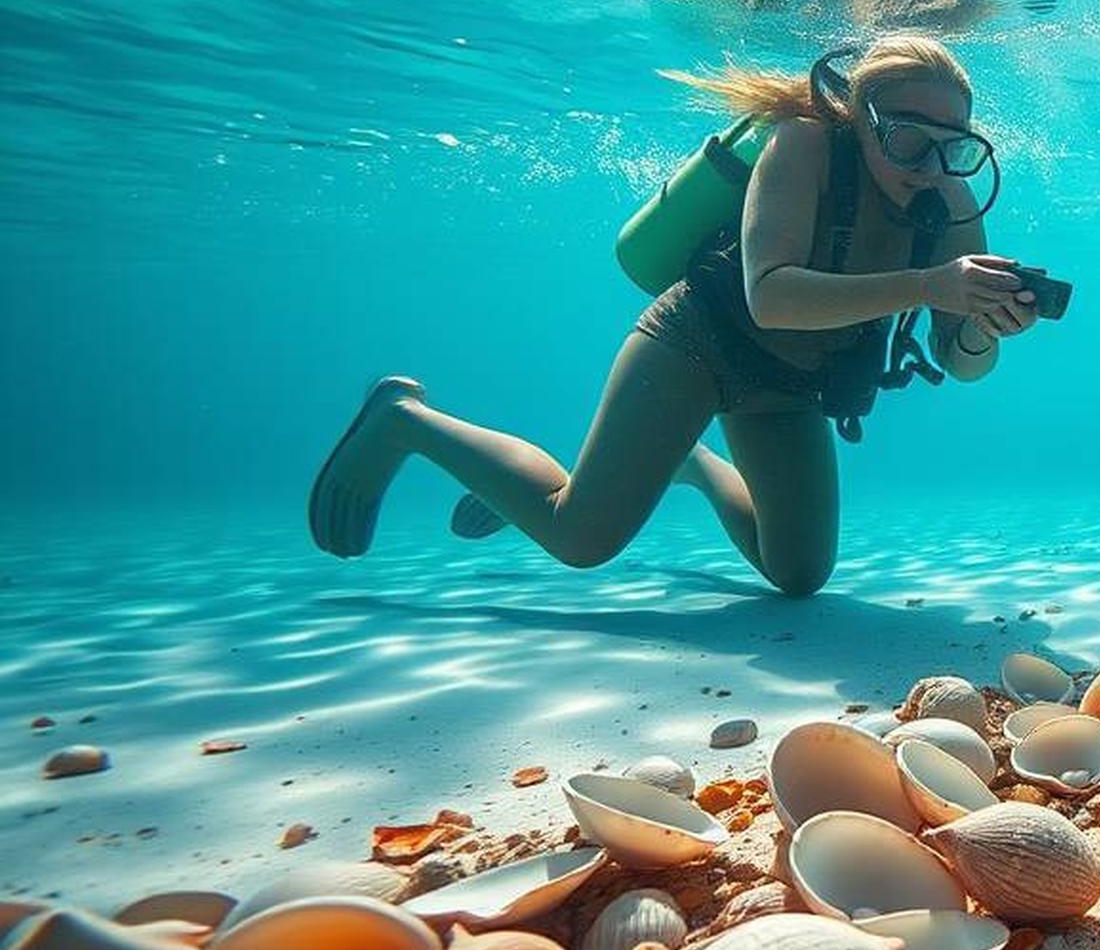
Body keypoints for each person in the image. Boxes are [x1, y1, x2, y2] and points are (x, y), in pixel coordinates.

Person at [306, 33, 1038, 596]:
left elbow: (962, 366)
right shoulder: (804, 145)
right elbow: (772, 295)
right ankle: (403, 419)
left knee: (799, 578)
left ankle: (684, 462)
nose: (931, 163)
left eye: (955, 146)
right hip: (693, 346)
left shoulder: (953, 205)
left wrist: (981, 324)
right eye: (908, 137)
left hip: (789, 386)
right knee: (580, 536)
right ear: (859, 121)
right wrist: (928, 285)